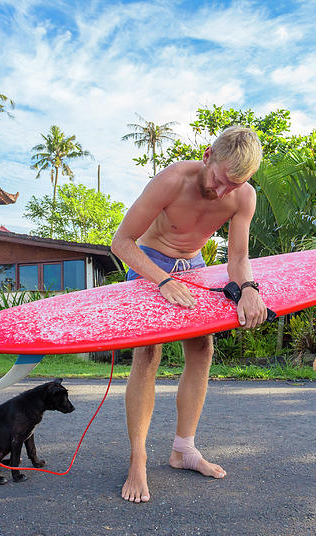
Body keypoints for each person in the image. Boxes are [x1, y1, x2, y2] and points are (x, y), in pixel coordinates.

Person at [110, 125, 268, 503]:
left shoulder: (242, 196)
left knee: (202, 350)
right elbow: (121, 242)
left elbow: (238, 257)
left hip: (193, 268)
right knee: (148, 354)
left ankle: (183, 449)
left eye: (235, 184)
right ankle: (138, 456)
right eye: (220, 180)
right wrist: (162, 281)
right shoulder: (171, 180)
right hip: (150, 265)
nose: (224, 192)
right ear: (207, 156)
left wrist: (248, 290)